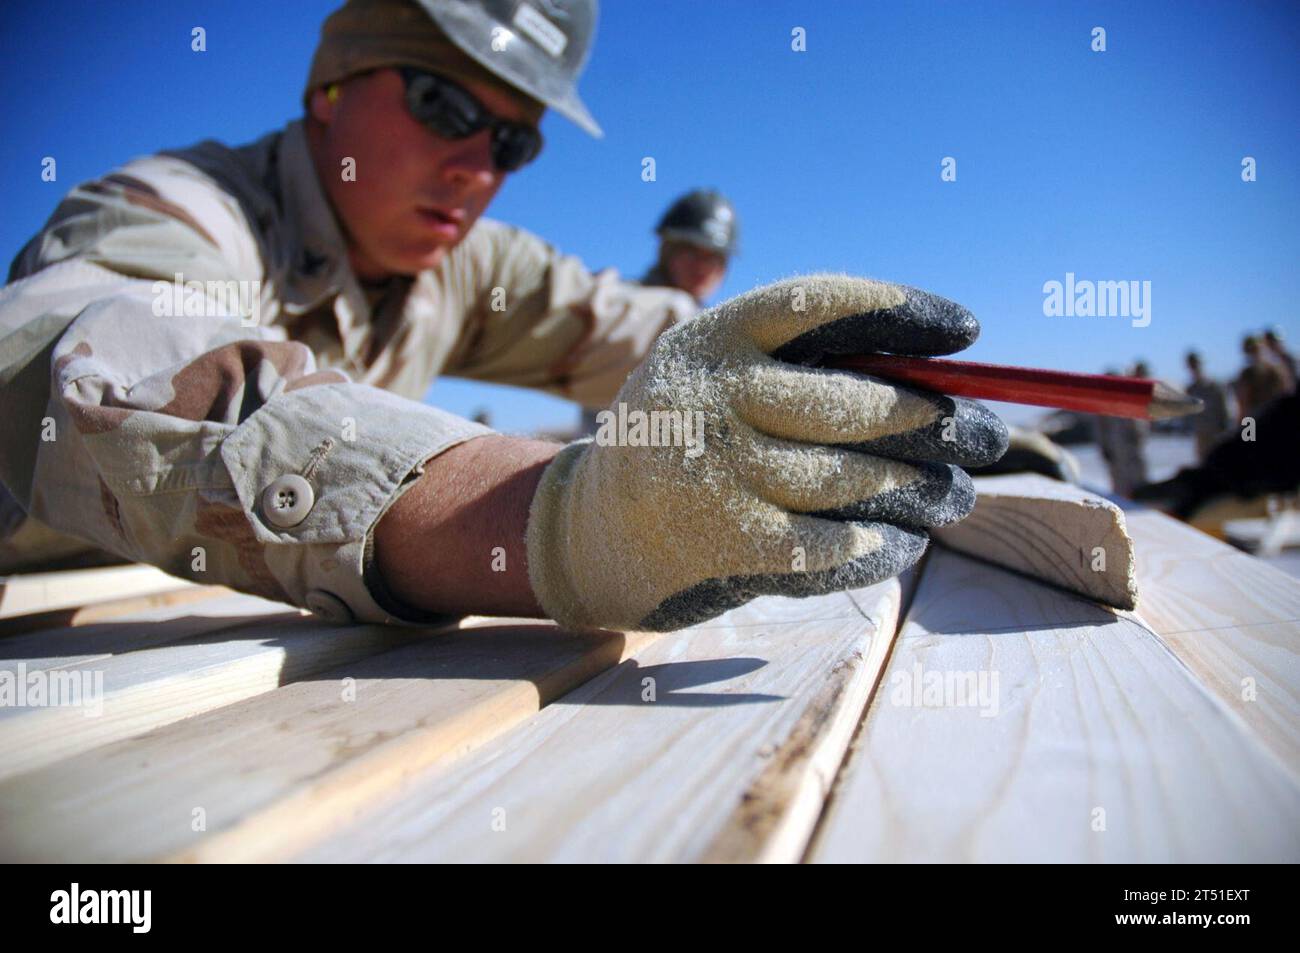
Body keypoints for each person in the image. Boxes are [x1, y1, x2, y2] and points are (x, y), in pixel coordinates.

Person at [0, 0, 1006, 633]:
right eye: (442, 103)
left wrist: (863, 390)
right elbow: (71, 348)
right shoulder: (180, 203)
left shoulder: (461, 266)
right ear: (329, 88)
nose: (476, 168)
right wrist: (562, 520)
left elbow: (645, 334)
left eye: (514, 141)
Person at [643, 189, 738, 305]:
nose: (703, 267)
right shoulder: (626, 301)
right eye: (693, 253)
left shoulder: (702, 313)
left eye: (714, 258)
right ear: (667, 251)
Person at [1184, 350, 1232, 461]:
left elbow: (1225, 409)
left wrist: (1225, 429)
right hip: (1200, 434)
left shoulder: (1215, 386)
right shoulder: (1191, 389)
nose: (1194, 368)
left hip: (1216, 433)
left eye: (1195, 364)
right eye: (1191, 365)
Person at [1235, 335, 1289, 419]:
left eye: (1255, 349)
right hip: (1257, 419)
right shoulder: (1247, 374)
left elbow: (1286, 393)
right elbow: (1243, 404)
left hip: (1275, 417)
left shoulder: (1276, 371)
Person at [1262, 327, 1297, 393]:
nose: (1271, 347)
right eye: (1269, 344)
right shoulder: (1271, 365)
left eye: (1273, 343)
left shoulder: (1292, 360)